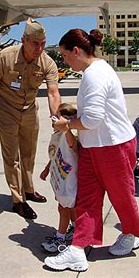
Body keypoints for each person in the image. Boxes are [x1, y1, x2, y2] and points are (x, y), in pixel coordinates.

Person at [45, 29, 139, 272]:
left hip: (112, 146)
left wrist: (66, 124)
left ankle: (131, 233)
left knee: (121, 194)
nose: (64, 61)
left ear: (76, 51)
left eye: (65, 56)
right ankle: (78, 248)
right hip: (93, 146)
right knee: (87, 198)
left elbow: (92, 119)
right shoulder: (95, 71)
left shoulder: (94, 75)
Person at [0, 18, 61, 219]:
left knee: (29, 153)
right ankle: (18, 200)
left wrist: (56, 117)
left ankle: (29, 189)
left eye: (43, 43)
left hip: (29, 110)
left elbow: (53, 92)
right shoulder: (5, 57)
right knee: (12, 156)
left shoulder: (47, 62)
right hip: (6, 110)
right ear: (24, 39)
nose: (39, 48)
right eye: (35, 43)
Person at [39, 103, 78, 253]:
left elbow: (71, 144)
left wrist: (66, 128)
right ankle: (74, 227)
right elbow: (55, 154)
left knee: (63, 208)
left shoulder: (69, 135)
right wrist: (47, 168)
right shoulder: (58, 134)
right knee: (69, 207)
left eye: (55, 118)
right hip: (60, 177)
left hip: (69, 181)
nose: (52, 122)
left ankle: (60, 238)